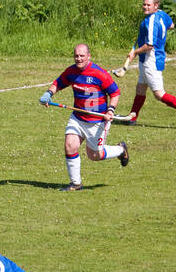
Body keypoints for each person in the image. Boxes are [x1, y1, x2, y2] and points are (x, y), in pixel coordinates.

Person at [39, 43, 130, 191]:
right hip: (78, 117)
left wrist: (111, 110)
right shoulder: (71, 72)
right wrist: (48, 94)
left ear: (89, 56)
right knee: (70, 146)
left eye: (82, 56)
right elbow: (58, 83)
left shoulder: (99, 74)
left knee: (94, 155)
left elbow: (115, 93)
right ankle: (76, 184)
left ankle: (121, 150)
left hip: (97, 121)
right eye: (76, 56)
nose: (79, 59)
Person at [118, 0, 176, 129]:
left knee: (159, 94)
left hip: (151, 60)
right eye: (144, 4)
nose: (145, 7)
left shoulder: (151, 21)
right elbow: (171, 25)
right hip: (150, 59)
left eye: (148, 5)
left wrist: (135, 52)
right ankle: (132, 118)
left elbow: (149, 45)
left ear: (156, 5)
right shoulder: (161, 14)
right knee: (140, 89)